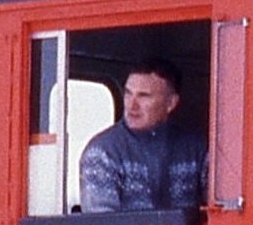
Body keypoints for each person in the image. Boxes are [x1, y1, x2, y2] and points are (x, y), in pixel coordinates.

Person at [78, 58, 206, 212]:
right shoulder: (102, 152)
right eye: (128, 94)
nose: (132, 105)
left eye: (144, 96)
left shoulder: (196, 148)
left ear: (171, 103)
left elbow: (221, 215)